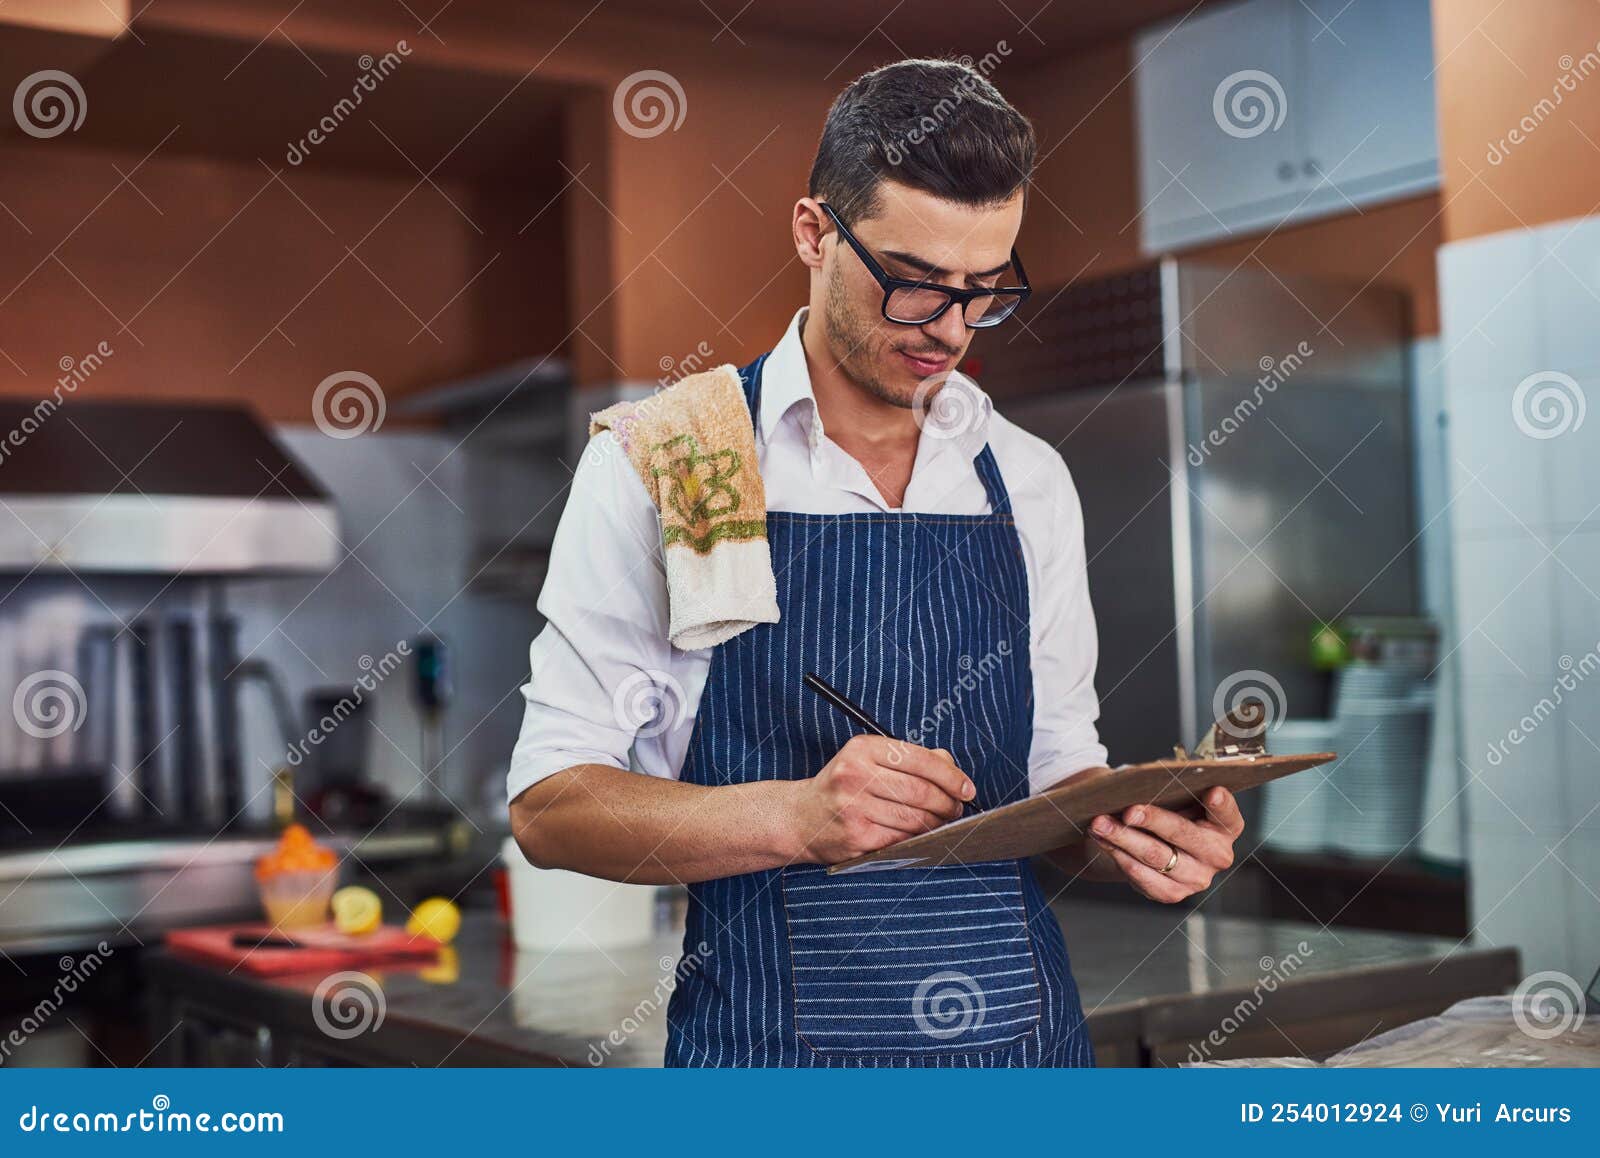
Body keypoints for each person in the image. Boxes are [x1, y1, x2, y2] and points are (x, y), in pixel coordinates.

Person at [507, 57, 1244, 1067]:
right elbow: (552, 811)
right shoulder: (671, 459)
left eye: (984, 291)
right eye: (911, 284)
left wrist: (1132, 833)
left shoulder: (1025, 478)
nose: (948, 329)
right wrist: (799, 817)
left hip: (1021, 1057)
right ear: (813, 232)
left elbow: (1055, 776)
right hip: (765, 1062)